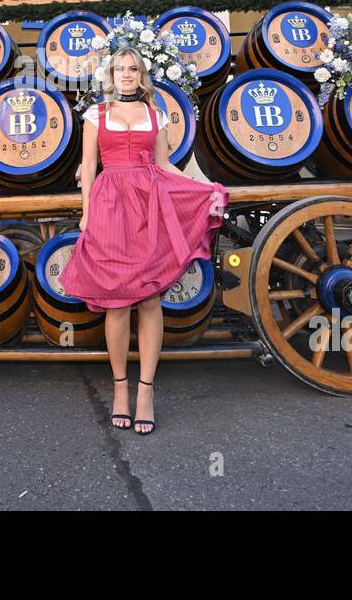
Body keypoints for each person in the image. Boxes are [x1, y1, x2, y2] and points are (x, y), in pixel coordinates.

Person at [59, 46, 229, 435]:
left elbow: (165, 163)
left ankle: (146, 391)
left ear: (141, 74)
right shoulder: (95, 115)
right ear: (111, 75)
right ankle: (120, 388)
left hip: (150, 204)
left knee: (150, 297)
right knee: (117, 302)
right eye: (120, 69)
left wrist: (203, 189)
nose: (126, 74)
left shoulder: (157, 114)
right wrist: (86, 212)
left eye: (133, 68)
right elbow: (88, 166)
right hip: (110, 204)